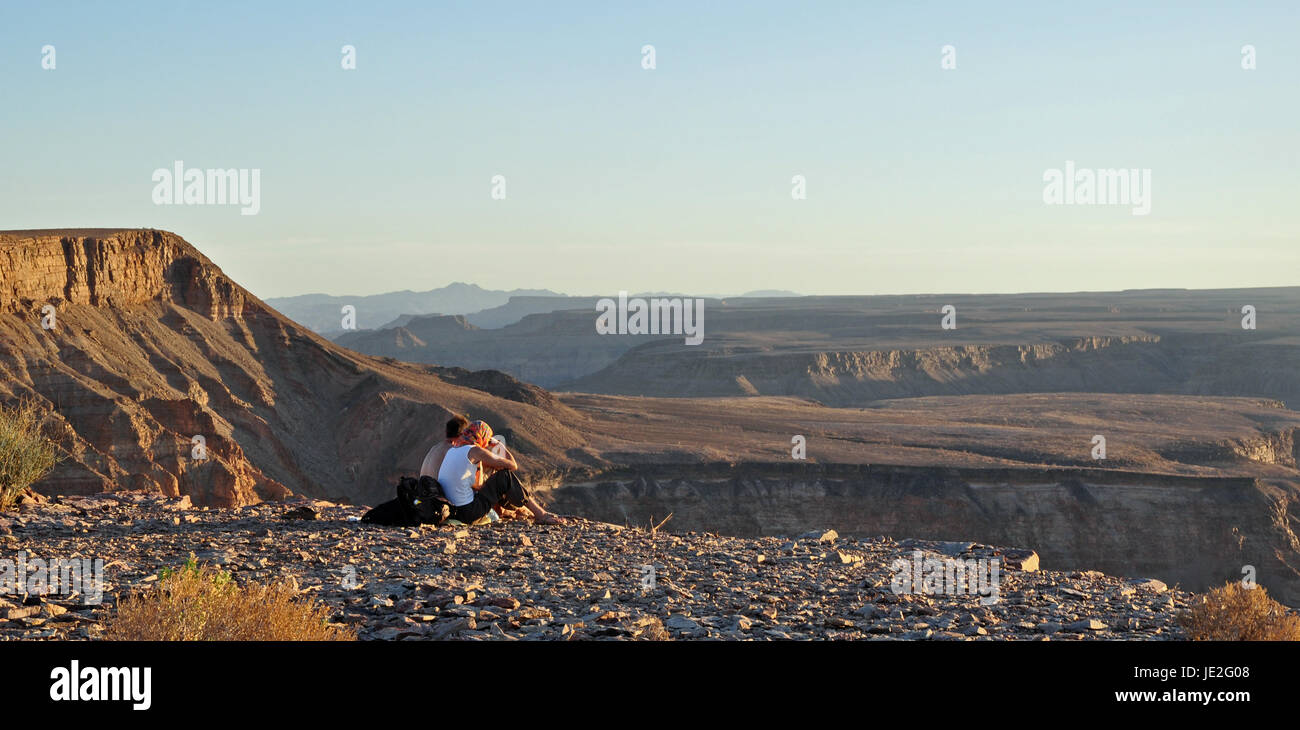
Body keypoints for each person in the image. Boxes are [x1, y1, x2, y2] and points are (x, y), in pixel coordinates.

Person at [437, 420, 567, 525]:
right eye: (487, 440)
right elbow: (512, 465)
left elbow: (476, 485)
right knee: (505, 476)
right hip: (469, 512)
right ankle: (540, 514)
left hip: (453, 511)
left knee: (498, 480)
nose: (487, 443)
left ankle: (524, 511)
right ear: (483, 437)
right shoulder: (476, 451)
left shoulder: (453, 450)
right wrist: (499, 446)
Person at [419, 414, 469, 479]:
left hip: (422, 487)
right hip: (434, 488)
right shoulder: (452, 450)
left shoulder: (435, 447)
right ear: (462, 434)